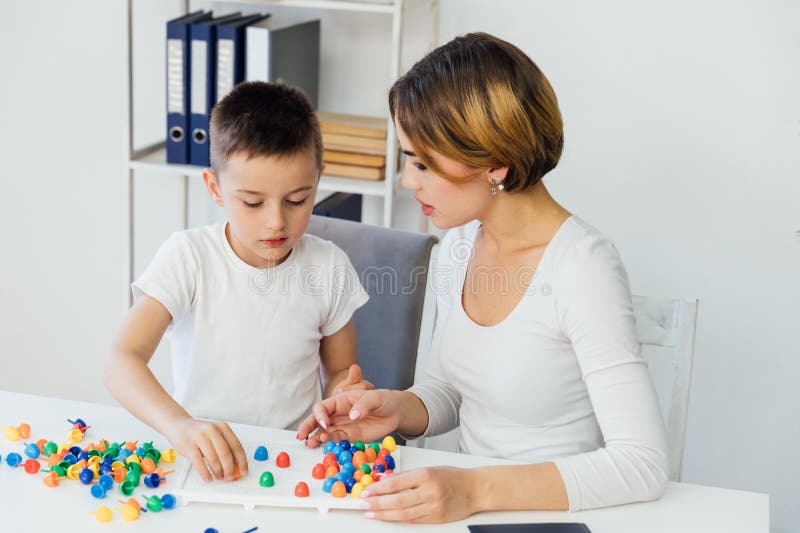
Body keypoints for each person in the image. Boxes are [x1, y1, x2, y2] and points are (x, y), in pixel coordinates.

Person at [297, 33, 669, 522]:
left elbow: (642, 464)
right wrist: (396, 408)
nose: (409, 181)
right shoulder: (460, 244)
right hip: (470, 515)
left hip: (553, 520)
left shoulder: (583, 266)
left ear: (494, 163)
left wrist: (473, 489)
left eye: (423, 163)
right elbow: (452, 391)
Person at [105, 81, 372, 483]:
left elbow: (338, 372)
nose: (276, 221)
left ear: (318, 180)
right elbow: (120, 360)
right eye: (252, 202)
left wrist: (346, 394)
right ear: (215, 188)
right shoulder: (189, 257)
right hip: (202, 460)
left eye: (297, 200)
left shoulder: (329, 267)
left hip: (296, 462)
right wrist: (180, 426)